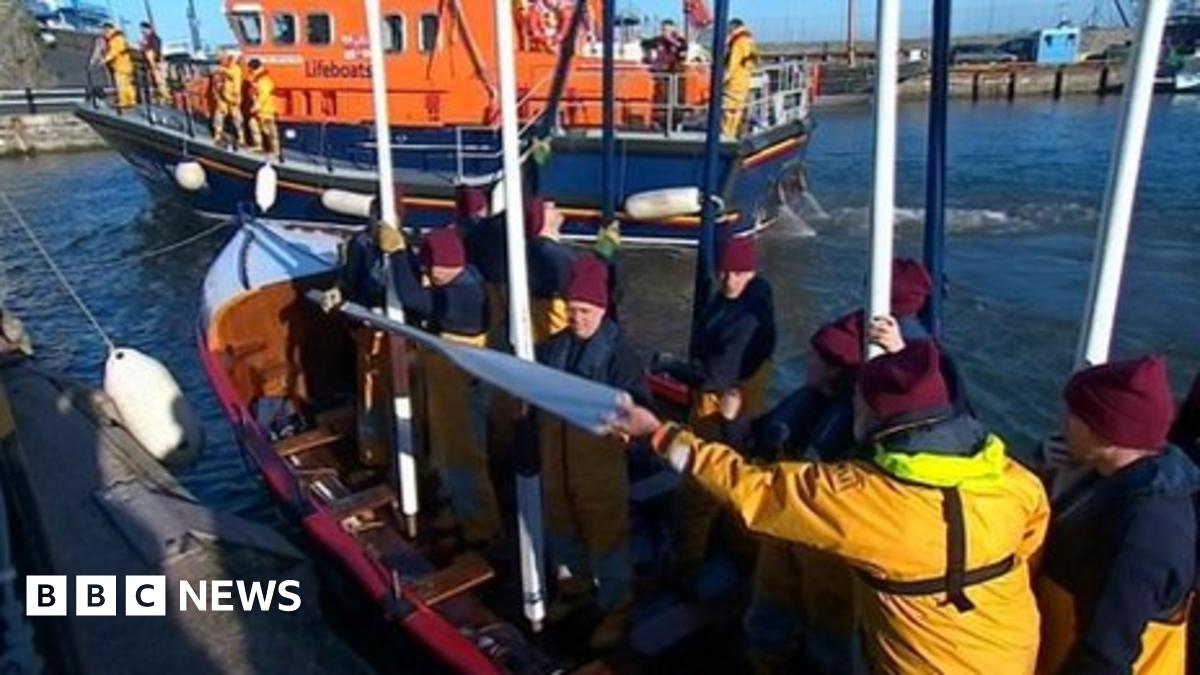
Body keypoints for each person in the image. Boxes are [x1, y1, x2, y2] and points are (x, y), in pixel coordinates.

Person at [613, 339, 1050, 673]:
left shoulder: (864, 500)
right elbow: (1032, 542)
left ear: (874, 419)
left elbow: (749, 488)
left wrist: (659, 433)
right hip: (1011, 653)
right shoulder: (1016, 480)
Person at [1036, 356, 1199, 674]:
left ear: (1104, 431)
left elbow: (1104, 656)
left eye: (1074, 413)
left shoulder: (1142, 533)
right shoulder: (1118, 474)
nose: (1064, 420)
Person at [537, 256, 650, 650]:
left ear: (602, 309)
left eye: (584, 311)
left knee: (607, 538)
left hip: (597, 465)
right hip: (557, 459)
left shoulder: (621, 356)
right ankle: (573, 590)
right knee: (561, 527)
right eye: (570, 310)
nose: (577, 318)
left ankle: (618, 607)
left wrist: (623, 429)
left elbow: (639, 405)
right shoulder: (554, 347)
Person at [389, 227, 501, 549]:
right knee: (447, 450)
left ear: (444, 265)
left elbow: (411, 297)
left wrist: (398, 255)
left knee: (463, 455)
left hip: (458, 381)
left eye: (429, 266)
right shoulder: (470, 277)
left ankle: (483, 530)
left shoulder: (459, 297)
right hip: (450, 382)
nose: (426, 272)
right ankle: (458, 510)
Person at [674, 236, 775, 581]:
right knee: (734, 483)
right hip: (726, 405)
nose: (729, 279)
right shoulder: (741, 300)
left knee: (702, 487)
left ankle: (688, 565)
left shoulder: (745, 322)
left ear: (751, 272)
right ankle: (745, 555)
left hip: (723, 407)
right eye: (725, 272)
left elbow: (717, 375)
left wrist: (673, 368)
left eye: (737, 273)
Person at [321, 212, 405, 468]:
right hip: (369, 328)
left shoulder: (404, 243)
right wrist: (338, 291)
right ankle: (375, 453)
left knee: (403, 392)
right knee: (372, 389)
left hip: (401, 330)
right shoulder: (361, 244)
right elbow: (350, 280)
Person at [525, 196, 578, 342]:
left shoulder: (526, 249)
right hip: (556, 332)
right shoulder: (558, 256)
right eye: (548, 208)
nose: (555, 207)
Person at [721, 18, 758, 138]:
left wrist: (723, 78)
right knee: (738, 109)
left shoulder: (737, 43)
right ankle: (734, 132)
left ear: (733, 28)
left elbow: (733, 63)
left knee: (729, 109)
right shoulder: (749, 40)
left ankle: (727, 134)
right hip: (744, 78)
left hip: (735, 80)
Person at [246, 59, 280, 160]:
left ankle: (275, 152)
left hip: (266, 110)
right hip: (259, 111)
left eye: (250, 69)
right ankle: (258, 145)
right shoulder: (257, 79)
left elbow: (263, 95)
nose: (250, 71)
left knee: (270, 131)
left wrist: (257, 105)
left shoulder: (264, 80)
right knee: (252, 124)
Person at [212, 52, 246, 147]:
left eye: (224, 59)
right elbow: (216, 83)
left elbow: (236, 82)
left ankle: (241, 138)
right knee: (219, 116)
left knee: (237, 118)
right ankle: (217, 136)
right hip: (223, 96)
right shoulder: (222, 69)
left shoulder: (236, 69)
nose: (222, 62)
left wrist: (236, 97)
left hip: (233, 97)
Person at [101, 23, 136, 110]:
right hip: (125, 66)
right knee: (128, 85)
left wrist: (104, 60)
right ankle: (131, 101)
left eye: (105, 32)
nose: (104, 34)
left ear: (109, 30)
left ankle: (124, 102)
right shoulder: (120, 38)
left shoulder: (116, 40)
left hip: (121, 67)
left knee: (121, 85)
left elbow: (113, 52)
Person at [139, 21, 168, 102]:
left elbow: (156, 50)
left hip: (156, 63)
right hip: (152, 63)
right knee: (156, 81)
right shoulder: (147, 39)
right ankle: (160, 97)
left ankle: (165, 98)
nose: (142, 32)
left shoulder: (153, 38)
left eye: (143, 30)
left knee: (160, 81)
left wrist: (156, 61)